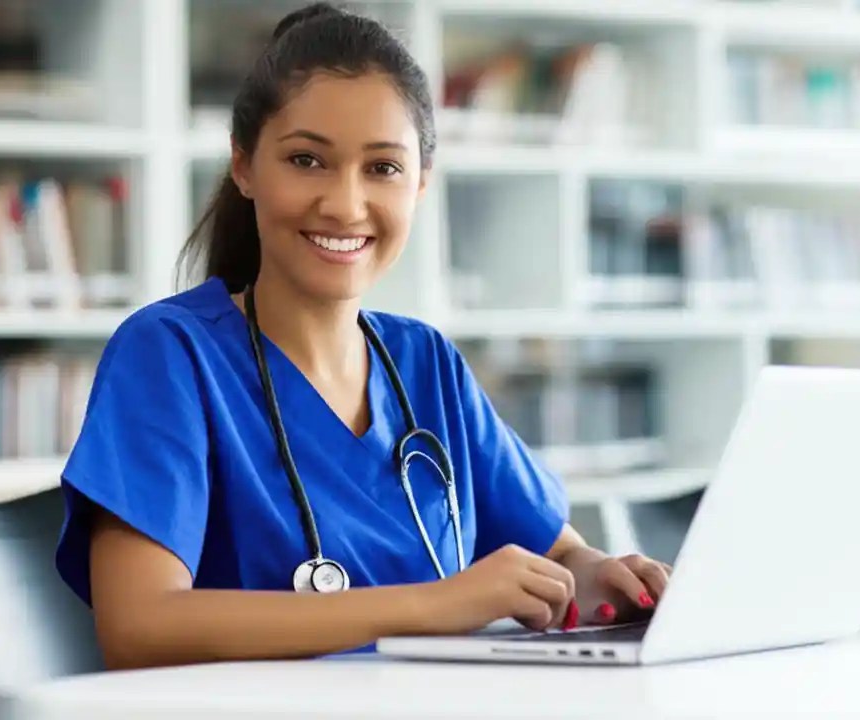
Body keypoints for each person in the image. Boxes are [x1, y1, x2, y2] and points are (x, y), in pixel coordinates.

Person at [55, 2, 671, 670]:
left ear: (420, 186)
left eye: (382, 168)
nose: (346, 205)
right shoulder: (170, 355)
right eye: (306, 160)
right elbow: (140, 627)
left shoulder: (426, 364)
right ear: (244, 167)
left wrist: (604, 577)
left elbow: (558, 554)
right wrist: (432, 605)